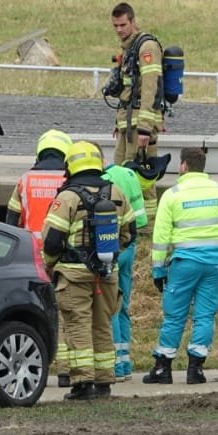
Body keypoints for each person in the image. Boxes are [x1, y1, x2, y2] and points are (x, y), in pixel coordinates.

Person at [40, 141, 137, 401]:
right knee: (102, 325)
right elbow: (130, 233)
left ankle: (83, 383)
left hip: (73, 274)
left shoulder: (68, 197)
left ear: (71, 165)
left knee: (77, 325)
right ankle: (104, 382)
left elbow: (51, 241)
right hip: (107, 272)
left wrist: (49, 264)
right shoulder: (116, 192)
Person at [145, 147, 218, 386]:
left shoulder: (172, 194)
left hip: (185, 263)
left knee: (174, 315)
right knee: (205, 315)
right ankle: (195, 368)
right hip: (216, 264)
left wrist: (158, 270)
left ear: (183, 166)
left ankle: (163, 367)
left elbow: (161, 237)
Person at [8, 129, 75, 389]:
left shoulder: (25, 180)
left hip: (32, 258)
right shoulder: (69, 180)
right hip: (64, 254)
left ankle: (36, 366)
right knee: (69, 313)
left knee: (37, 313)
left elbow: (11, 222)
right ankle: (67, 371)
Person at [102, 154, 157, 380]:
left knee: (110, 308)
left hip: (112, 245)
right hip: (130, 246)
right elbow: (141, 220)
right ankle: (125, 363)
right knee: (123, 306)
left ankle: (114, 364)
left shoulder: (105, 178)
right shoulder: (130, 176)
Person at [108, 2, 165, 206]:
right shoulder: (129, 48)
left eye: (123, 24)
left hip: (139, 125)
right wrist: (118, 122)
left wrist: (145, 129)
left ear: (133, 21)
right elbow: (128, 89)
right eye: (115, 26)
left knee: (140, 176)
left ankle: (147, 227)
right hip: (127, 123)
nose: (119, 29)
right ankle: (126, 219)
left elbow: (151, 88)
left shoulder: (146, 47)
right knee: (120, 172)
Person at [5, 129, 72, 233]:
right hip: (59, 246)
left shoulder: (25, 179)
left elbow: (12, 219)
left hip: (31, 246)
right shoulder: (70, 180)